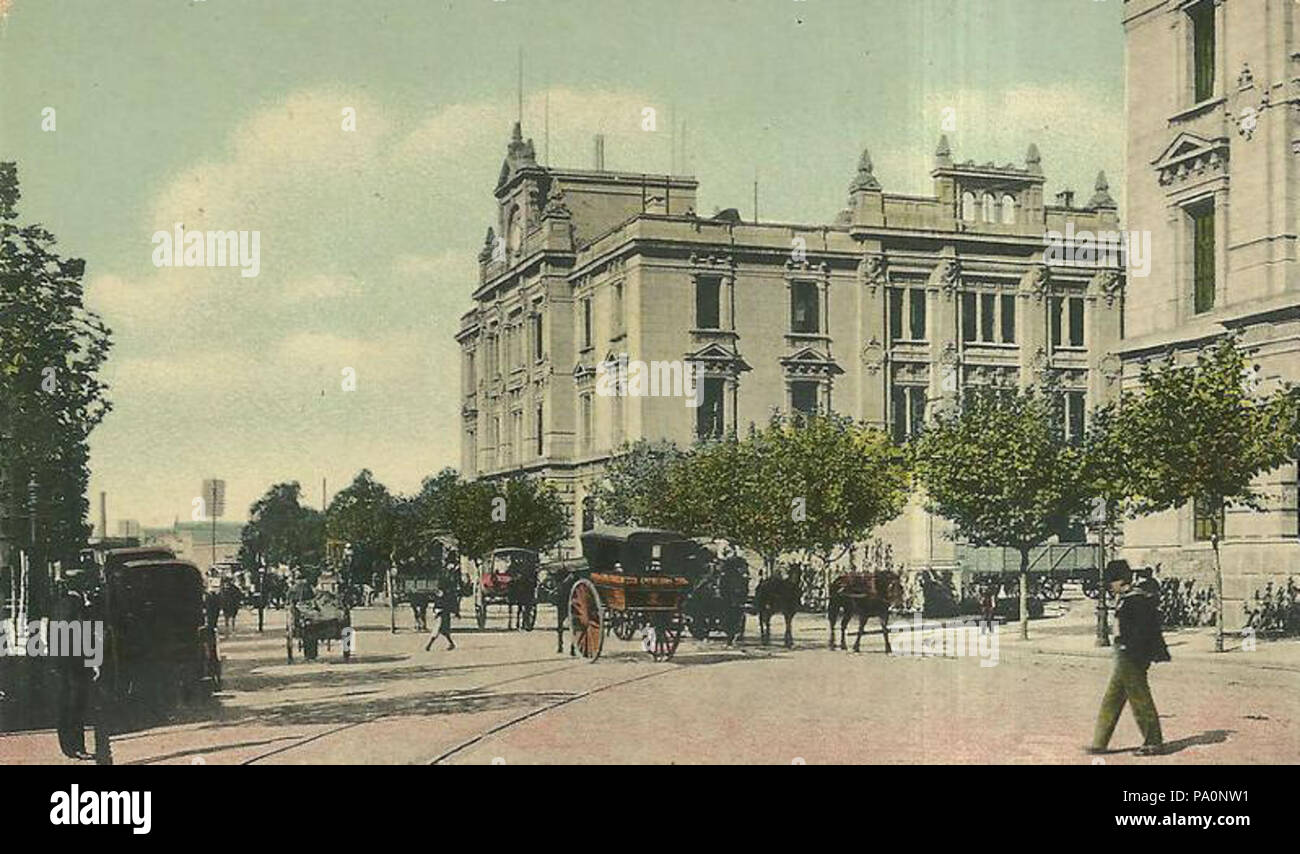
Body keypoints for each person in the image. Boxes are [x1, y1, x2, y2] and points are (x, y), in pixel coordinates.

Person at [1088, 559, 1170, 756]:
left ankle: (1153, 742)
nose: (1109, 586)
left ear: (1120, 581)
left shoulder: (1137, 599)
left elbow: (1143, 632)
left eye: (1111, 582)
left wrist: (1130, 649)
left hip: (1133, 655)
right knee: (1113, 698)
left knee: (1139, 698)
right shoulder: (1128, 598)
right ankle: (1100, 742)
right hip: (1124, 653)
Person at [425, 569, 457, 652]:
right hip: (441, 610)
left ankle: (429, 645)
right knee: (443, 629)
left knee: (438, 628)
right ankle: (451, 643)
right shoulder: (446, 590)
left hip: (443, 611)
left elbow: (449, 600)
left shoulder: (447, 590)